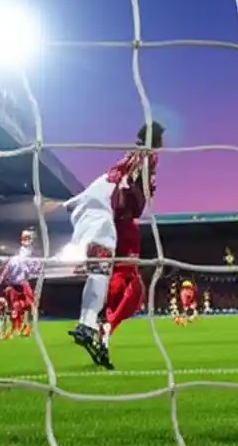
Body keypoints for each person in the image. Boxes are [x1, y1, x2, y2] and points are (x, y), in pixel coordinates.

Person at [53, 121, 163, 369]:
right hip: (116, 223)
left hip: (101, 218)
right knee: (131, 285)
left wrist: (66, 205)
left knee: (103, 272)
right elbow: (138, 173)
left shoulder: (112, 171)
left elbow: (83, 199)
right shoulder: (145, 158)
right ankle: (103, 326)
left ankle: (93, 325)